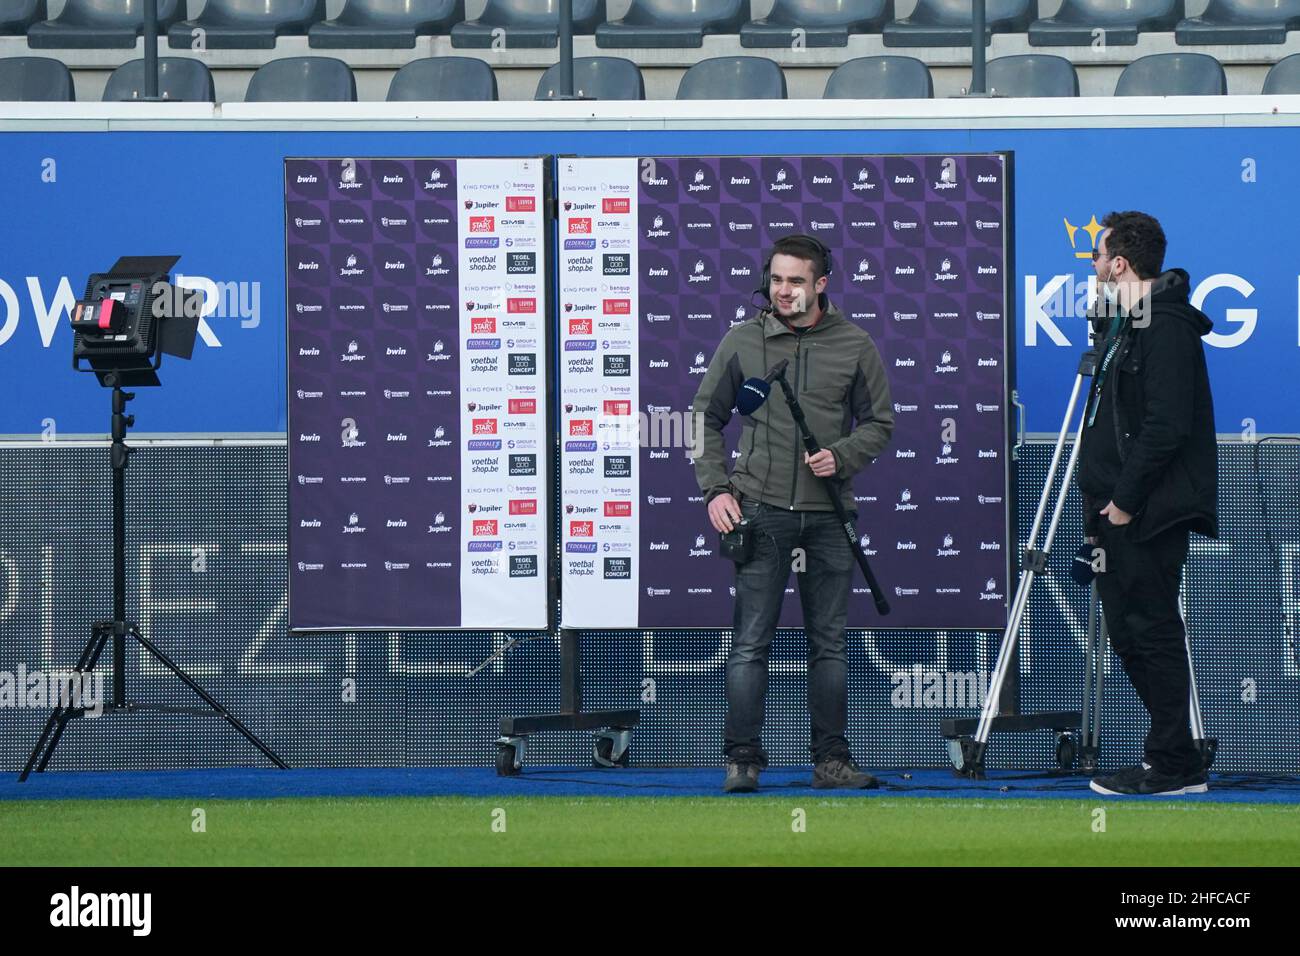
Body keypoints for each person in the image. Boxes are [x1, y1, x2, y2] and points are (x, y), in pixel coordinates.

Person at [689, 234, 894, 793]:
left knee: (829, 643)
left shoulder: (854, 343)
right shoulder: (743, 340)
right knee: (751, 641)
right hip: (758, 508)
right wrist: (715, 490)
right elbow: (704, 417)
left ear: (821, 284)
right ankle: (743, 760)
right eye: (776, 279)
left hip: (830, 514)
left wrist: (844, 455)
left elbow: (880, 423)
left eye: (796, 281)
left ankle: (830, 763)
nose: (783, 290)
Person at [1077, 211, 1218, 796]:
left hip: (1146, 511)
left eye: (1097, 258)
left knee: (1151, 629)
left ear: (1119, 263)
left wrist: (1125, 505)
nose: (1091, 270)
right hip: (1114, 507)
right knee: (1129, 632)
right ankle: (1176, 754)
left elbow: (1165, 426)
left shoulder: (1166, 328)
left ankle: (1172, 763)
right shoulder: (1127, 325)